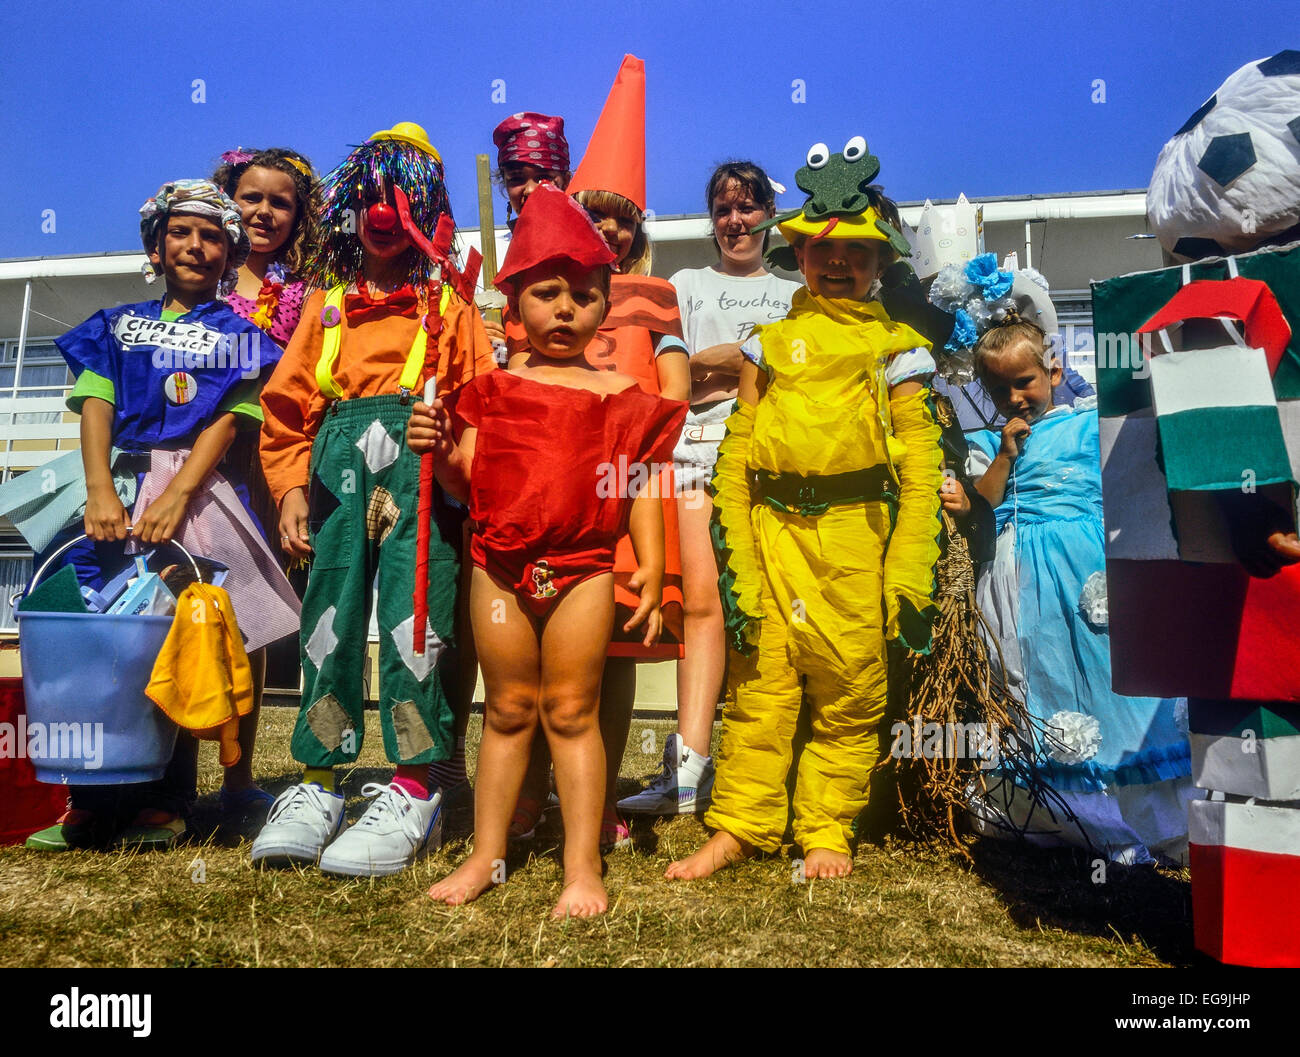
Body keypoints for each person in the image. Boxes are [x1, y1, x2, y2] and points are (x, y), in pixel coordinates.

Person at [667, 137, 944, 881]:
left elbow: (921, 470)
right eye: (823, 250)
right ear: (800, 255)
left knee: (851, 688)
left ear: (881, 261)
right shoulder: (769, 343)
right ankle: (740, 825)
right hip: (769, 532)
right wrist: (735, 552)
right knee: (759, 684)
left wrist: (909, 569)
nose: (839, 262)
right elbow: (738, 447)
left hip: (855, 540)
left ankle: (825, 825)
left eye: (856, 250)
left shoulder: (898, 349)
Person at [413, 185, 684, 916]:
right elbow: (465, 482)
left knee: (571, 711)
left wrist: (653, 571)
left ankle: (582, 866)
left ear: (606, 304)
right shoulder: (489, 389)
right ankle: (485, 852)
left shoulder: (624, 393)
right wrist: (434, 449)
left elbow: (640, 484)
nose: (565, 309)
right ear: (514, 304)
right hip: (497, 566)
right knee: (505, 709)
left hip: (585, 567)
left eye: (585, 295)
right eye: (547, 293)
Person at [22, 179, 298, 851]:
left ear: (229, 252)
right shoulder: (115, 326)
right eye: (182, 231)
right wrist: (98, 489)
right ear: (156, 242)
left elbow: (232, 420)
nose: (196, 246)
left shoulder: (240, 334)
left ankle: (172, 799)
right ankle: (93, 795)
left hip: (197, 495)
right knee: (103, 632)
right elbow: (97, 401)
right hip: (117, 487)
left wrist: (178, 495)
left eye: (212, 235)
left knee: (192, 629)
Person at [251, 122, 495, 877]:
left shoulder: (449, 310)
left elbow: (483, 412)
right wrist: (291, 488)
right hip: (335, 482)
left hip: (418, 488)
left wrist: (449, 445)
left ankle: (416, 783)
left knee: (412, 624)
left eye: (400, 197)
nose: (382, 212)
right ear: (351, 210)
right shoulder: (325, 309)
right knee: (328, 623)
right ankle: (320, 780)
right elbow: (286, 409)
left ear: (425, 209)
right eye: (368, 198)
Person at [504, 56, 690, 848]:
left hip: (624, 493)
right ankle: (524, 800)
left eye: (622, 217)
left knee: (611, 656)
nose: (609, 229)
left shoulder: (656, 296)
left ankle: (598, 798)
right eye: (594, 212)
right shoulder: (535, 304)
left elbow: (672, 404)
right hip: (542, 496)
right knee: (527, 656)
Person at [950, 316, 1192, 862]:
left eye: (1025, 382)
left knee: (1110, 676)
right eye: (998, 389)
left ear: (1054, 370)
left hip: (1087, 568)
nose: (1014, 398)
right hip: (1021, 573)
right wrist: (1006, 456)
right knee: (1040, 676)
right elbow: (981, 508)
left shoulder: (1088, 427)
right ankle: (1061, 814)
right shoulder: (987, 443)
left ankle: (1145, 814)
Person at [620, 160, 799, 816]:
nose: (736, 220)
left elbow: (789, 376)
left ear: (767, 216)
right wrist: (739, 359)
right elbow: (672, 376)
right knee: (702, 608)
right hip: (694, 459)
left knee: (775, 610)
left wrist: (721, 363)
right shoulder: (683, 285)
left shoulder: (795, 288)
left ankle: (768, 760)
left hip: (773, 463)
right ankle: (688, 767)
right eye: (724, 209)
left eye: (748, 207)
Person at [209, 146, 321, 820]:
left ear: (298, 217)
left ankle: (238, 777)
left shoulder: (304, 295)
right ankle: (164, 787)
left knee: (246, 626)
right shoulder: (202, 276)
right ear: (229, 197)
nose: (263, 211)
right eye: (251, 196)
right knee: (182, 618)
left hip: (261, 471)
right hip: (191, 466)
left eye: (281, 202)